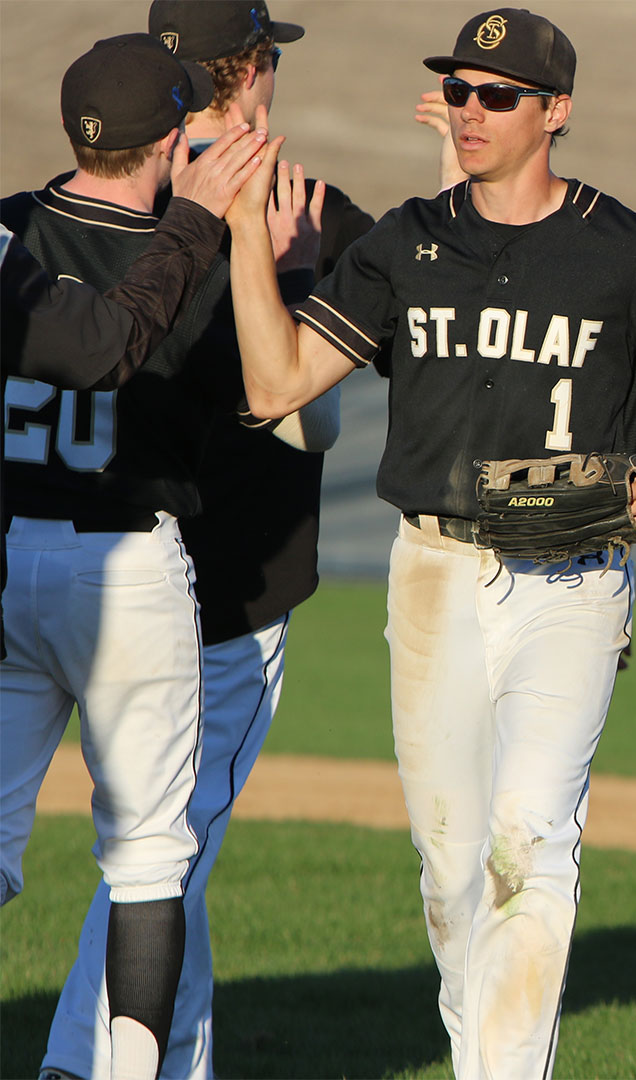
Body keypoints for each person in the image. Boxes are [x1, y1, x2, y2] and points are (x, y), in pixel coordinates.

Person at [218, 9, 636, 1077]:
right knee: (452, 868)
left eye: (495, 94)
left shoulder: (628, 249)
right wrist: (241, 227)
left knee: (530, 840)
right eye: (458, 91)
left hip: (571, 576)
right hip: (434, 572)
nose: (469, 110)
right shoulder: (406, 242)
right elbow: (277, 385)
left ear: (554, 112)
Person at [38, 5, 375, 1078]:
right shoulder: (282, 198)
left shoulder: (78, 198)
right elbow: (308, 417)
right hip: (218, 590)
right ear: (254, 71)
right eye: (267, 58)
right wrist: (299, 280)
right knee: (155, 866)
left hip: (56, 557)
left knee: (162, 861)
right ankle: (81, 1064)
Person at [0, 33, 286, 1080]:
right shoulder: (192, 259)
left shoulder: (7, 231)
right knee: (149, 858)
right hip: (124, 569)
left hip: (6, 560)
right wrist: (251, 245)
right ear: (172, 140)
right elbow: (273, 401)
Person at [0, 122, 264, 391]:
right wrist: (286, 271)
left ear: (66, 124)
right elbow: (276, 398)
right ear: (170, 142)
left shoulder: (10, 219)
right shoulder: (208, 276)